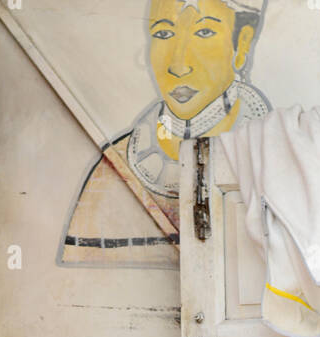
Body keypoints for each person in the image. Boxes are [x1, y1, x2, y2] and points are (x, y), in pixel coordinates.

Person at [59, 0, 270, 267]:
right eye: (163, 34)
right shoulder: (113, 173)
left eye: (204, 32)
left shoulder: (280, 157)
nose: (178, 65)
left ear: (242, 45)